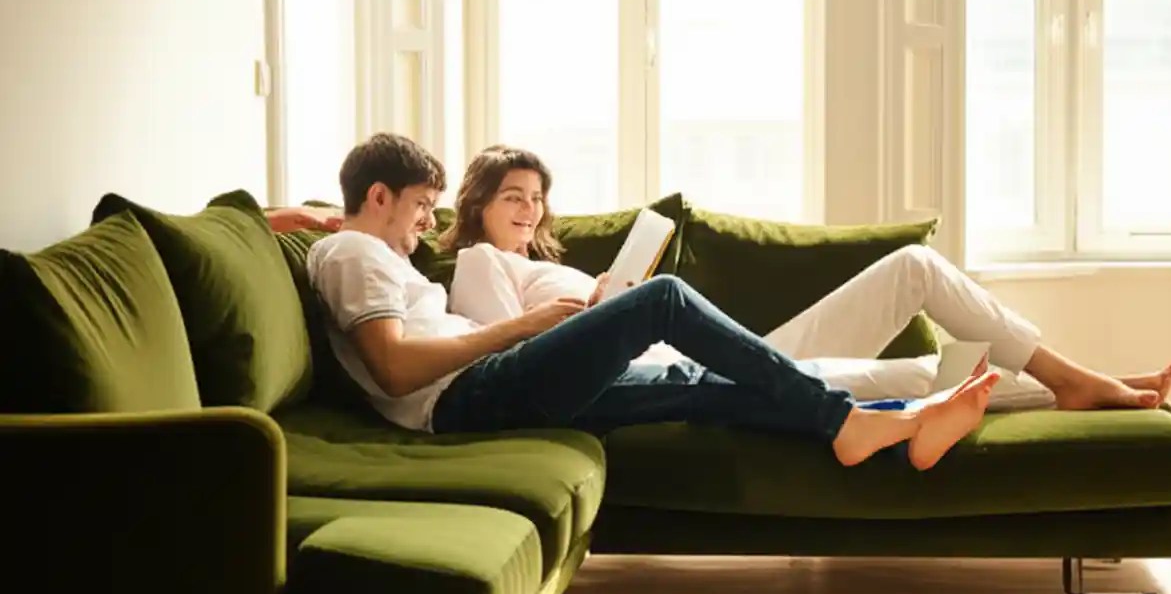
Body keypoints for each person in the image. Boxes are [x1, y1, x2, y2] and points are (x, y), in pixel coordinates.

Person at [305, 132, 1003, 472]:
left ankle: (899, 428)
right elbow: (395, 367)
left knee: (699, 385)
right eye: (420, 206)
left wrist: (296, 216)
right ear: (378, 197)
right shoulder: (354, 253)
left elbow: (328, 237)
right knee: (663, 299)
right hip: (466, 399)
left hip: (477, 394)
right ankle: (850, 420)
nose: (426, 222)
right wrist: (525, 327)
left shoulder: (354, 248)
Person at [439, 144, 1171, 413]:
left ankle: (1077, 381)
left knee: (916, 276)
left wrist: (606, 297)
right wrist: (595, 312)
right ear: (476, 205)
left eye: (535, 198)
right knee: (925, 373)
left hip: (734, 355)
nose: (529, 209)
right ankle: (1079, 386)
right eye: (512, 197)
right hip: (704, 378)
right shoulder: (478, 262)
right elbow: (509, 358)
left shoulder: (546, 265)